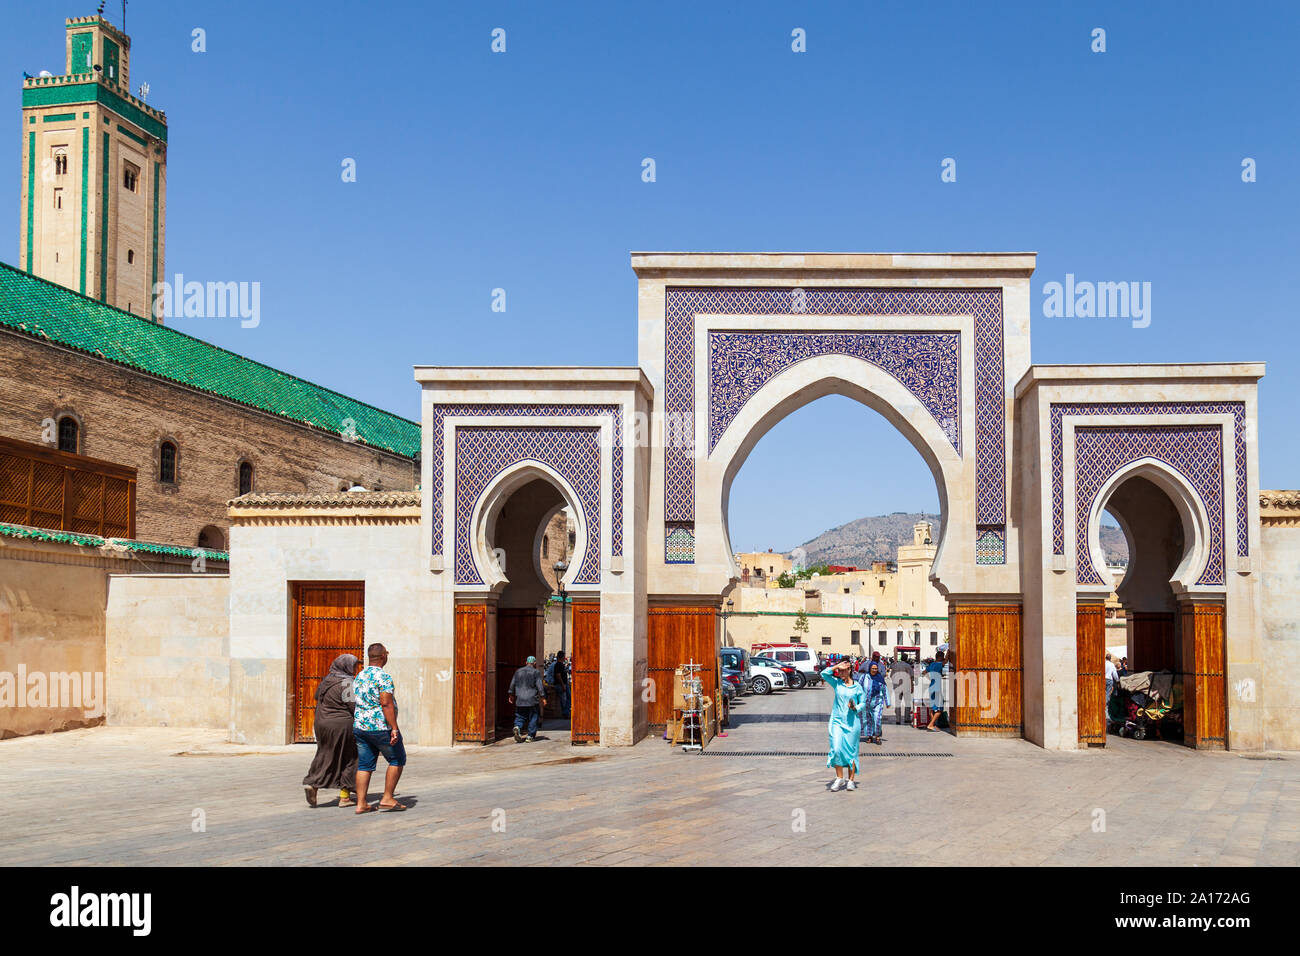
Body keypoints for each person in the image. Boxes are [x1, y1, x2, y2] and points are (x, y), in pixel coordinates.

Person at [352, 643, 407, 813]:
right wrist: (394, 728)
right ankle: (387, 798)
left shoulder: (360, 675)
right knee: (397, 759)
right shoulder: (383, 677)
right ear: (383, 656)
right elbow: (386, 703)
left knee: (364, 764)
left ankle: (361, 803)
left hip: (360, 726)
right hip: (380, 727)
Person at [302, 653, 362, 808]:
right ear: (347, 666)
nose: (356, 668)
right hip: (341, 725)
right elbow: (353, 706)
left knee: (325, 754)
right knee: (351, 757)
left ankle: (313, 784)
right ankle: (344, 797)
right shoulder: (347, 682)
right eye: (355, 665)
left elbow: (317, 697)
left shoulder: (327, 680)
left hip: (321, 723)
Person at [820, 660, 865, 791]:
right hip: (837, 722)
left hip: (852, 723)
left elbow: (863, 702)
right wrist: (836, 666)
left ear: (850, 670)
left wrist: (855, 707)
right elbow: (824, 674)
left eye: (843, 670)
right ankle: (839, 778)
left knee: (852, 752)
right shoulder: (837, 683)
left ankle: (851, 780)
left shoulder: (857, 687)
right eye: (839, 671)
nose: (840, 673)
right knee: (836, 748)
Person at [509, 654, 547, 742]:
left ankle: (517, 726)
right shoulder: (536, 672)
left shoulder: (518, 671)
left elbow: (512, 684)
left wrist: (511, 694)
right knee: (534, 717)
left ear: (526, 662)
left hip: (520, 699)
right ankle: (530, 736)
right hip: (532, 699)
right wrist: (543, 697)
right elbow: (539, 686)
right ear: (534, 663)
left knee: (520, 715)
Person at [859, 661, 891, 745]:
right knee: (867, 720)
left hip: (878, 702)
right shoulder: (864, 677)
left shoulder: (880, 678)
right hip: (866, 703)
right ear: (869, 668)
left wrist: (888, 702)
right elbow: (858, 688)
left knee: (877, 719)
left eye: (876, 669)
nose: (874, 670)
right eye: (873, 668)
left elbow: (885, 690)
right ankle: (869, 736)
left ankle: (877, 736)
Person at [889, 656, 915, 725]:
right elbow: (911, 677)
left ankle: (898, 720)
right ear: (906, 659)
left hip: (897, 686)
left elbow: (891, 676)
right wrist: (912, 686)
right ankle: (907, 718)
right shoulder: (908, 666)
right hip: (906, 686)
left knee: (897, 703)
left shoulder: (895, 666)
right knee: (907, 702)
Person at [925, 650, 947, 732]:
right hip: (937, 688)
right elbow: (946, 661)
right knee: (939, 709)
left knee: (932, 707)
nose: (944, 658)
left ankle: (933, 725)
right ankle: (931, 725)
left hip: (931, 686)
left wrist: (931, 677)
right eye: (943, 656)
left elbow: (924, 672)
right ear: (940, 657)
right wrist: (948, 652)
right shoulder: (939, 664)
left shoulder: (932, 664)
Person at [548, 650, 570, 718]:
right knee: (564, 699)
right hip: (561, 685)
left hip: (564, 684)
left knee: (568, 698)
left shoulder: (560, 664)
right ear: (562, 657)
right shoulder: (558, 665)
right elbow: (558, 675)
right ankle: (565, 713)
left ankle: (566, 712)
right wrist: (563, 685)